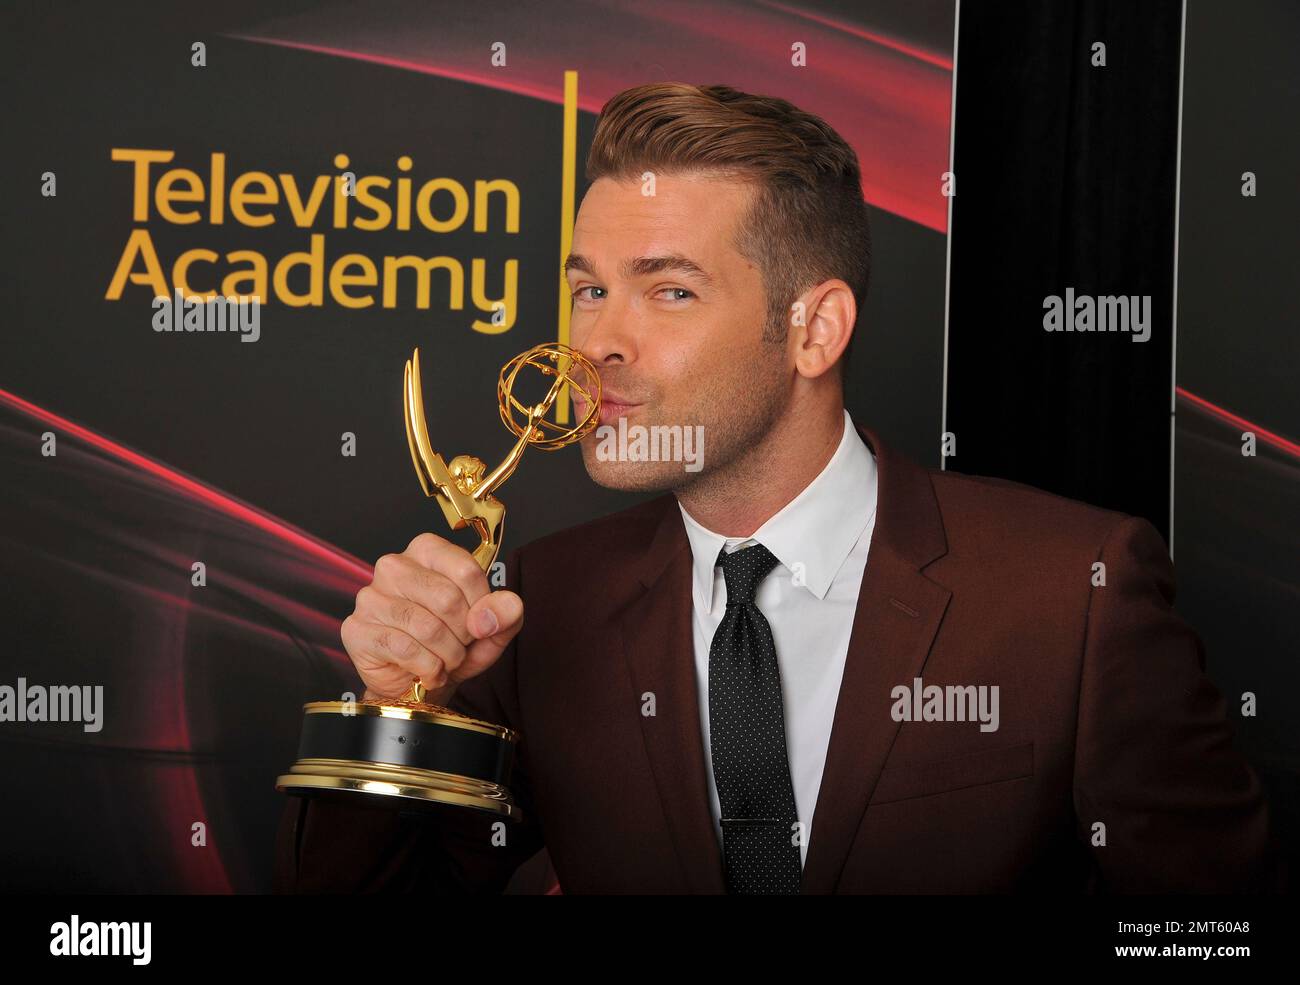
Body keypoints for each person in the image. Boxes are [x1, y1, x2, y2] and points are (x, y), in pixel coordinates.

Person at [273, 82, 1279, 894]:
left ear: (814, 329)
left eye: (668, 290)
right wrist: (394, 703)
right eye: (588, 289)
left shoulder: (1074, 593)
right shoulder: (541, 601)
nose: (594, 344)